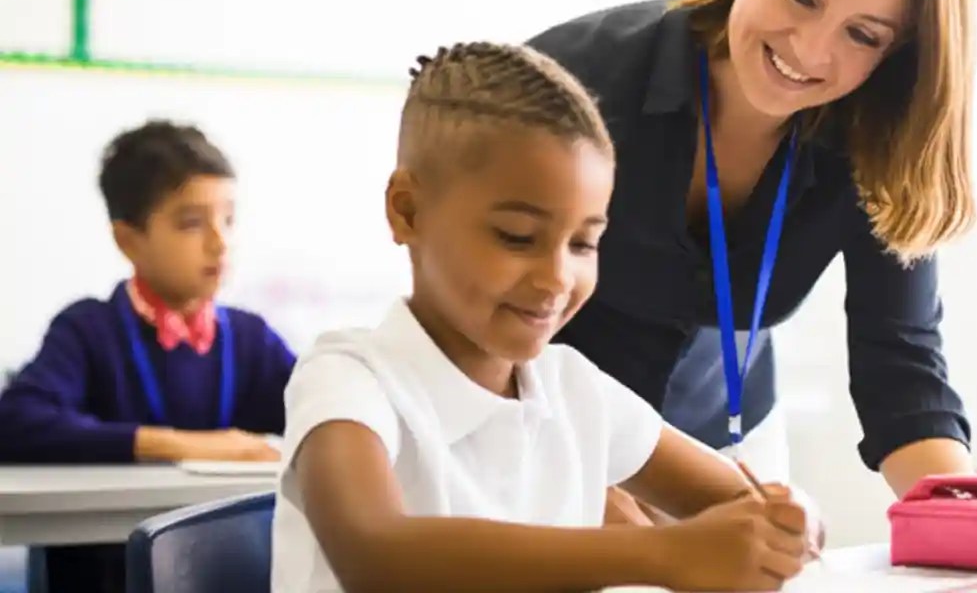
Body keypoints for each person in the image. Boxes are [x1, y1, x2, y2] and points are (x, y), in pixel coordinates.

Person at [272, 42, 822, 593]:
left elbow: (749, 504)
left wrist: (790, 520)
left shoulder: (574, 388)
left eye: (584, 243)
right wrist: (656, 553)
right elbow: (375, 555)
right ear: (408, 211)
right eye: (517, 237)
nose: (558, 278)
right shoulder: (349, 378)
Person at [527, 0, 977, 504]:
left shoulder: (881, 139)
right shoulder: (567, 83)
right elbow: (470, 325)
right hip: (541, 441)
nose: (812, 50)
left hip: (728, 447)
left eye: (864, 34)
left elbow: (902, 371)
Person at [0, 120, 296, 592]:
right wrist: (180, 444)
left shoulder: (248, 337)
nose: (220, 243)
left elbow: (320, 404)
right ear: (128, 240)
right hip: (102, 577)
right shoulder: (88, 329)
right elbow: (14, 421)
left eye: (228, 219)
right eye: (192, 223)